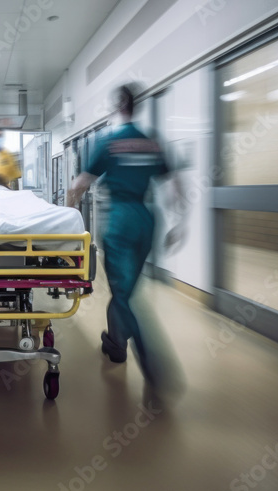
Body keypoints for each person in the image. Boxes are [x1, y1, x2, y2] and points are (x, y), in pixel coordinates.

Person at [66, 84, 187, 399]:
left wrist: (67, 214)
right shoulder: (153, 142)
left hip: (119, 220)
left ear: (117, 107)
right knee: (127, 289)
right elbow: (174, 182)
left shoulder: (109, 142)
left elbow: (80, 184)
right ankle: (116, 344)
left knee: (124, 296)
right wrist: (181, 223)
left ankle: (153, 364)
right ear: (138, 105)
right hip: (147, 221)